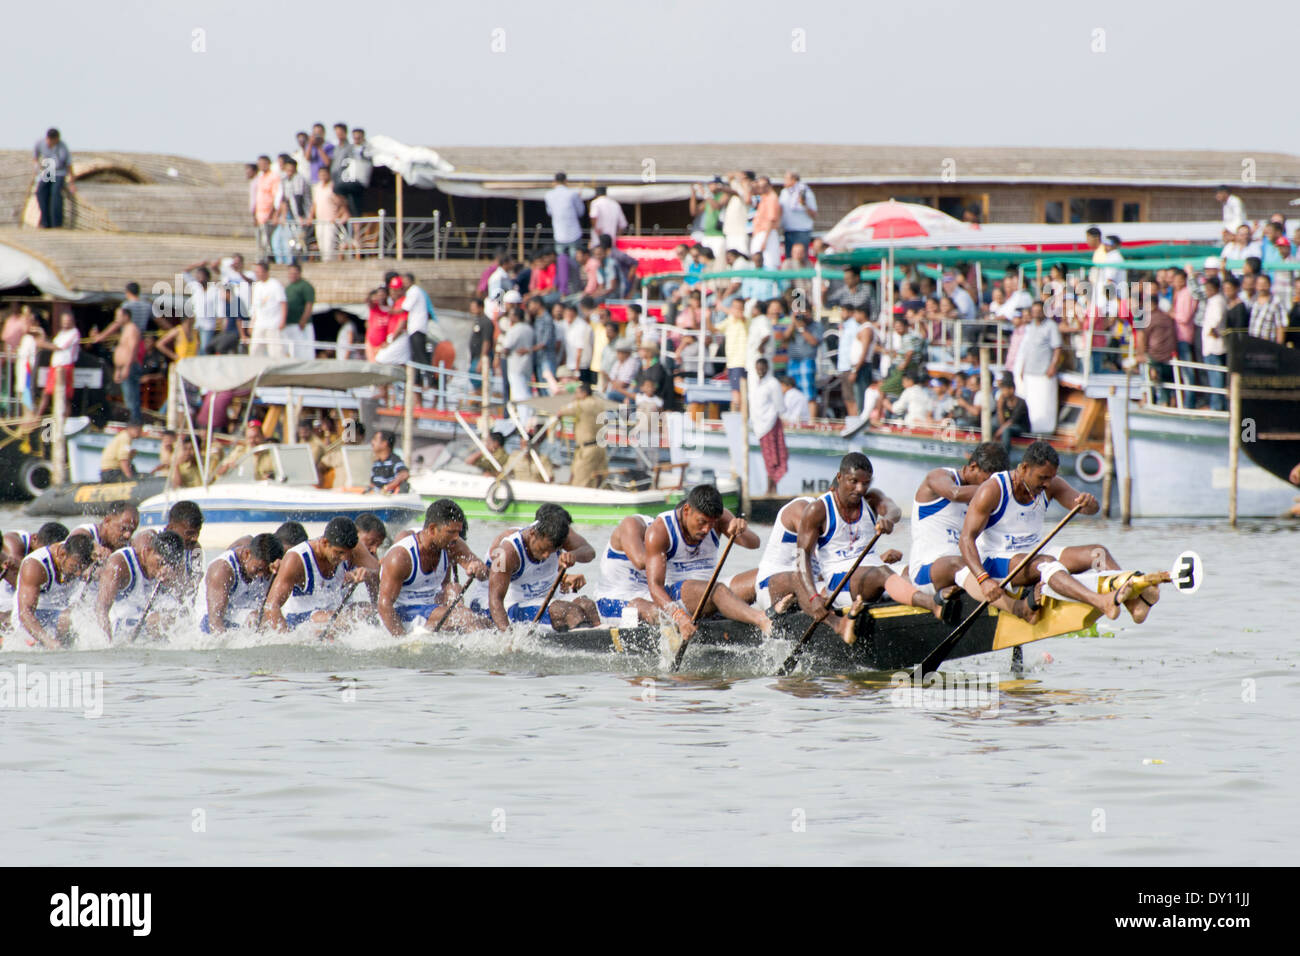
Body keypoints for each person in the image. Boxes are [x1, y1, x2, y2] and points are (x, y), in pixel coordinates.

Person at [956, 440, 1146, 623]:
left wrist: (1090, 504)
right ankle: (1100, 601)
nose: (1047, 483)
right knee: (1046, 563)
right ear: (1023, 468)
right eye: (1042, 478)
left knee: (1097, 553)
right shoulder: (992, 489)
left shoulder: (1051, 485)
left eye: (1051, 477)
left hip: (1033, 553)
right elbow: (965, 539)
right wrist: (983, 580)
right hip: (996, 560)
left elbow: (1086, 508)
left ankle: (1133, 601)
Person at [792, 453, 917, 642]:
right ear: (840, 477)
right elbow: (802, 560)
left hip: (871, 571)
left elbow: (894, 510)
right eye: (854, 481)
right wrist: (813, 598)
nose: (860, 489)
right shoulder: (818, 510)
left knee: (913, 572)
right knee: (882, 574)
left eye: (865, 483)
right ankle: (933, 606)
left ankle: (933, 598)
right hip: (839, 581)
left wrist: (888, 520)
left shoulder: (871, 498)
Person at [643, 484, 772, 642]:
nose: (706, 529)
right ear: (686, 510)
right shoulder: (659, 530)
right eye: (701, 522)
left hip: (714, 591)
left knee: (765, 574)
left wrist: (741, 529)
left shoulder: (721, 517)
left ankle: (779, 611)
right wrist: (680, 617)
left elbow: (754, 543)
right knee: (715, 589)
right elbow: (654, 586)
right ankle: (761, 620)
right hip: (679, 597)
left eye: (711, 524)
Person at [907, 442, 1016, 601]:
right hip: (926, 571)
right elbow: (955, 494)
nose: (989, 488)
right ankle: (1017, 608)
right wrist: (996, 489)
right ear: (972, 467)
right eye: (986, 481)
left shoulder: (982, 500)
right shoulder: (938, 477)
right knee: (958, 563)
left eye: (993, 483)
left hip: (967, 569)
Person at [473, 504, 597, 631]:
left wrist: (573, 555)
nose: (546, 555)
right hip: (516, 606)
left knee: (588, 605)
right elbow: (495, 599)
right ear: (532, 533)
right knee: (569, 611)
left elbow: (589, 552)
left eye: (552, 551)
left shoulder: (559, 533)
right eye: (543, 549)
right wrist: (508, 637)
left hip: (551, 599)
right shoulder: (507, 551)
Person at [377, 499, 487, 635]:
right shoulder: (400, 556)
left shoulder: (453, 545)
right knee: (466, 618)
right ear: (432, 529)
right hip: (403, 613)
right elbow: (384, 605)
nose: (456, 538)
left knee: (484, 621)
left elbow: (484, 573)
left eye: (458, 532)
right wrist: (402, 643)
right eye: (451, 532)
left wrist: (478, 567)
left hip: (432, 606)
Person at [262, 517, 379, 633]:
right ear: (324, 542)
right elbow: (271, 606)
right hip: (298, 619)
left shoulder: (354, 548)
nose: (344, 558)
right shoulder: (296, 559)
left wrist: (368, 574)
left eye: (348, 554)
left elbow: (380, 575)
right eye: (339, 553)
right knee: (344, 620)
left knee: (367, 611)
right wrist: (286, 642)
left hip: (332, 614)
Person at [94, 530, 187, 643]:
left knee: (177, 619)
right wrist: (107, 647)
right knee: (161, 621)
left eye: (170, 565)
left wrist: (173, 583)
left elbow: (183, 604)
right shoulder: (119, 564)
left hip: (144, 624)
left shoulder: (171, 569)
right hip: (118, 627)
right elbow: (101, 609)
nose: (163, 570)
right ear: (147, 551)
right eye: (160, 563)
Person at [15, 532, 94, 648]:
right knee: (67, 620)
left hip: (60, 616)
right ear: (62, 554)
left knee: (80, 618)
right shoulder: (35, 565)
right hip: (30, 621)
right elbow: (25, 613)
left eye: (82, 568)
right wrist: (48, 641)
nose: (78, 573)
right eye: (74, 567)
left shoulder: (77, 552)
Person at [195, 533, 285, 634]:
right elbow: (215, 622)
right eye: (258, 569)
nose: (260, 576)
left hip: (239, 615)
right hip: (207, 620)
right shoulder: (222, 570)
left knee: (262, 620)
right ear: (246, 554)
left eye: (265, 571)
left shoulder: (265, 564)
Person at [0, 522, 67, 632]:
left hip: (23, 603)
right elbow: (20, 581)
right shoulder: (12, 541)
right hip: (6, 605)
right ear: (34, 538)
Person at [594, 514, 657, 623]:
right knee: (654, 610)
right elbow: (640, 562)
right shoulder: (632, 524)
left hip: (647, 597)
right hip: (611, 602)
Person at [1015, 300, 1062, 433]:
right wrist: (1022, 368)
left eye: (1038, 311)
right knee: (1032, 403)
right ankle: (1033, 429)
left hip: (1044, 372)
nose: (1036, 314)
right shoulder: (1030, 327)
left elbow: (1057, 348)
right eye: (1034, 311)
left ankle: (1045, 431)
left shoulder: (1051, 326)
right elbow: (1027, 350)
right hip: (1030, 372)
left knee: (1045, 404)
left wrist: (1053, 366)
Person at [560, 382, 608, 488]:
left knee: (580, 482)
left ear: (584, 393)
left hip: (588, 449)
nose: (575, 396)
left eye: (577, 393)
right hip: (601, 448)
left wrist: (574, 401)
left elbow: (561, 411)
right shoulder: (600, 403)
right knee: (599, 483)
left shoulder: (581, 405)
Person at [750, 357, 786, 494]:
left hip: (770, 424)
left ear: (767, 368)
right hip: (760, 426)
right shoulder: (755, 383)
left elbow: (780, 406)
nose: (760, 371)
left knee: (773, 458)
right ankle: (770, 488)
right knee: (767, 458)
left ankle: (772, 488)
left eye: (762, 368)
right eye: (758, 368)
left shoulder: (773, 383)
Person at [34, 311, 79, 418]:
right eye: (63, 321)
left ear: (72, 321)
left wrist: (42, 344)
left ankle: (65, 420)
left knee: (65, 397)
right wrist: (42, 338)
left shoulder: (74, 333)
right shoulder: (61, 333)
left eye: (67, 321)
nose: (65, 323)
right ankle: (37, 417)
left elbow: (60, 347)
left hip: (65, 368)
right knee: (46, 393)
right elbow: (54, 344)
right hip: (54, 367)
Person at [546, 173, 585, 297]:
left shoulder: (549, 195)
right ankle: (574, 290)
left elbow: (550, 212)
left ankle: (562, 290)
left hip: (559, 235)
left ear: (554, 181)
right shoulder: (572, 194)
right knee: (574, 265)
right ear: (566, 181)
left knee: (560, 265)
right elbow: (580, 212)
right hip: (573, 233)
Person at [777, 311, 821, 419]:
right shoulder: (792, 325)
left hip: (807, 360)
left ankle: (811, 423)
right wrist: (793, 324)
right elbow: (783, 339)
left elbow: (814, 342)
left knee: (809, 394)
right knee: (791, 393)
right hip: (792, 361)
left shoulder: (815, 326)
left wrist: (801, 328)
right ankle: (791, 419)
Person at [33, 128, 75, 228]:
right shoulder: (40, 143)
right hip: (48, 171)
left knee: (55, 193)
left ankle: (57, 223)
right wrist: (36, 167)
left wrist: (72, 182)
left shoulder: (62, 147)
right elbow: (35, 156)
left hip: (60, 172)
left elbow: (68, 164)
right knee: (40, 192)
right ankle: (45, 222)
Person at [248, 261, 287, 357]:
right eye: (256, 272)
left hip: (273, 323)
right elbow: (256, 307)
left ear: (266, 272)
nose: (257, 274)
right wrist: (252, 323)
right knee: (255, 350)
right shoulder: (257, 286)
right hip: (260, 323)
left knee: (275, 351)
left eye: (259, 271)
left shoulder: (275, 284)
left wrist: (282, 321)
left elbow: (283, 303)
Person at [778, 171, 817, 258]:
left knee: (801, 258)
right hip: (788, 230)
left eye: (786, 179)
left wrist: (804, 204)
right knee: (789, 258)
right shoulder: (784, 193)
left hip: (802, 231)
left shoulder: (806, 192)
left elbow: (814, 214)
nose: (784, 181)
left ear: (793, 180)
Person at [993, 372, 1031, 450]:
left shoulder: (1021, 402)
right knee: (992, 425)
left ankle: (1004, 455)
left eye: (1004, 389)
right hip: (1007, 426)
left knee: (1006, 430)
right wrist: (999, 408)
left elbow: (1012, 421)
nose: (1002, 392)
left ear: (1011, 389)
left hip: (1021, 428)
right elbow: (1002, 423)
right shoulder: (1003, 401)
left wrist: (1000, 431)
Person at [366, 429, 409, 494]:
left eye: (375, 439)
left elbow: (404, 474)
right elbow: (372, 484)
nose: (372, 442)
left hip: (389, 501)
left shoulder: (394, 460)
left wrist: (387, 487)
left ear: (384, 444)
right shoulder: (376, 463)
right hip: (375, 499)